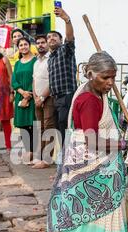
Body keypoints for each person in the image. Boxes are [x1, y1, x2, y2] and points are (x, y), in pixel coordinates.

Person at [47, 52, 128, 232]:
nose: (110, 83)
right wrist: (127, 144)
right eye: (105, 78)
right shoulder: (89, 99)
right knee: (98, 216)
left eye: (113, 77)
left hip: (89, 170)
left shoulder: (89, 91)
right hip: (95, 172)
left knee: (85, 217)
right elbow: (91, 141)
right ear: (90, 74)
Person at [47, 7, 77, 147]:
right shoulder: (50, 58)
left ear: (60, 40)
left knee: (66, 128)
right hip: (56, 99)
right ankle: (64, 156)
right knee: (59, 128)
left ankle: (68, 160)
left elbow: (70, 39)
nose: (51, 38)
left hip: (67, 96)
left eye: (54, 36)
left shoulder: (65, 51)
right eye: (48, 37)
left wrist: (67, 20)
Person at [12, 37, 37, 164]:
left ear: (30, 45)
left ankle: (34, 152)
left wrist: (29, 93)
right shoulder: (17, 63)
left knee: (33, 124)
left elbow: (37, 77)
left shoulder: (35, 61)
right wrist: (23, 93)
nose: (23, 47)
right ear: (18, 48)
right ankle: (28, 150)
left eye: (25, 44)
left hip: (33, 96)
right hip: (21, 97)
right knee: (23, 125)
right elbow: (14, 81)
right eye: (20, 45)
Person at [32, 35, 53, 169]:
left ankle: (47, 159)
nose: (40, 45)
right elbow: (34, 80)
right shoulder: (36, 61)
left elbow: (53, 81)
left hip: (49, 98)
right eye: (38, 43)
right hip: (37, 99)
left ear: (47, 44)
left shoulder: (51, 60)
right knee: (39, 128)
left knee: (49, 127)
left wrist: (42, 97)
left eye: (43, 43)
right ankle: (39, 157)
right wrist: (35, 97)